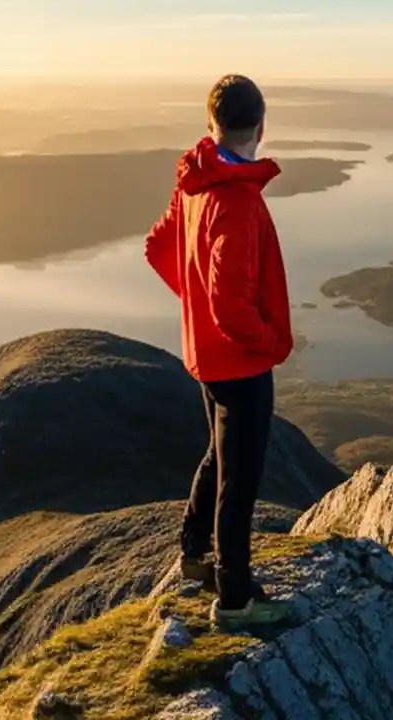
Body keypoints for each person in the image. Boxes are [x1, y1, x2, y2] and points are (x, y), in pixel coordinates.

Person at [144, 75, 294, 629]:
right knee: (242, 477)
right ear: (261, 126)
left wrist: (198, 312)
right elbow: (229, 302)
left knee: (219, 454)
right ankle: (235, 599)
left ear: (212, 126)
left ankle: (194, 553)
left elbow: (159, 246)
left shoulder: (195, 183)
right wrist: (268, 341)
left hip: (207, 356)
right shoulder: (236, 202)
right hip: (240, 362)